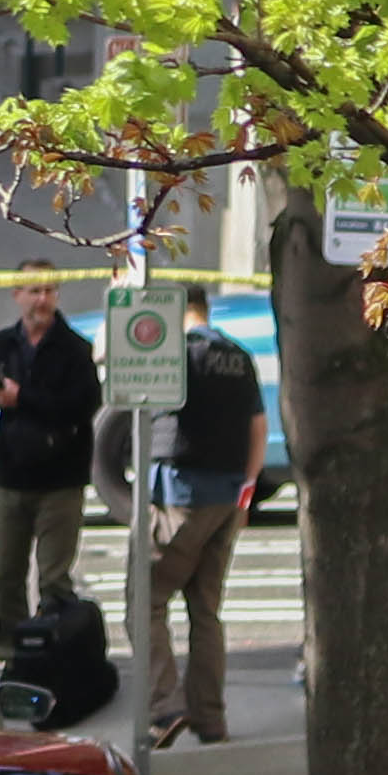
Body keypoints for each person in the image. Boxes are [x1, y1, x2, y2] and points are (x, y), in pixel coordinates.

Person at [0, 263, 103, 658]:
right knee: (7, 577)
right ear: (17, 294)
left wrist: (23, 399)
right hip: (13, 478)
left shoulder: (74, 349)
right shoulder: (0, 345)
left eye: (49, 291)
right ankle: (13, 653)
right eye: (34, 291)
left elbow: (84, 405)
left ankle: (56, 657)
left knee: (54, 581)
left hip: (60, 481)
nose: (42, 299)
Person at [144, 318, 263, 741]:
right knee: (206, 611)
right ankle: (210, 718)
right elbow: (258, 429)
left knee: (145, 601)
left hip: (180, 496)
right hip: (227, 499)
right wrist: (244, 498)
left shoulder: (173, 353)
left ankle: (164, 708)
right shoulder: (238, 356)